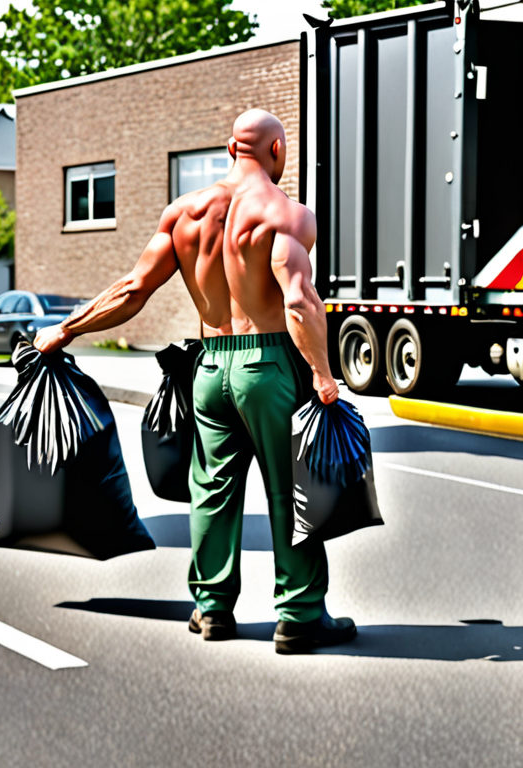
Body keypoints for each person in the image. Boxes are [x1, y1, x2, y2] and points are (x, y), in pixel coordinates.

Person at [35, 109, 356, 653]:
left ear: (231, 150)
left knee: (211, 490)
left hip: (210, 367)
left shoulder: (185, 214)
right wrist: (323, 376)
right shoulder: (288, 215)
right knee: (288, 490)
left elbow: (133, 289)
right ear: (277, 152)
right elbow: (299, 299)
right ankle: (299, 616)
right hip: (269, 364)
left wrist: (64, 330)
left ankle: (211, 610)